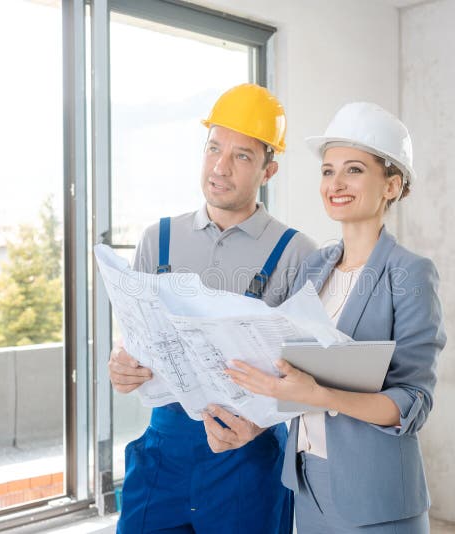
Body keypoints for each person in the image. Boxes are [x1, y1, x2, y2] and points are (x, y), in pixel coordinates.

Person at [226, 102, 447, 533]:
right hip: (307, 484)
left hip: (376, 496)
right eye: (328, 171)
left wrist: (320, 395)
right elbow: (283, 360)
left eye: (354, 170)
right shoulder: (314, 266)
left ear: (391, 185)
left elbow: (413, 403)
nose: (336, 183)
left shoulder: (410, 272)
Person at [108, 83, 316, 534]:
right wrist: (121, 364)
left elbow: (312, 378)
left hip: (248, 456)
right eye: (213, 148)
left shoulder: (297, 253)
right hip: (162, 451)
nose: (220, 167)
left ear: (269, 169)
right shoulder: (155, 239)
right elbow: (133, 340)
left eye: (242, 155)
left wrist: (259, 428)